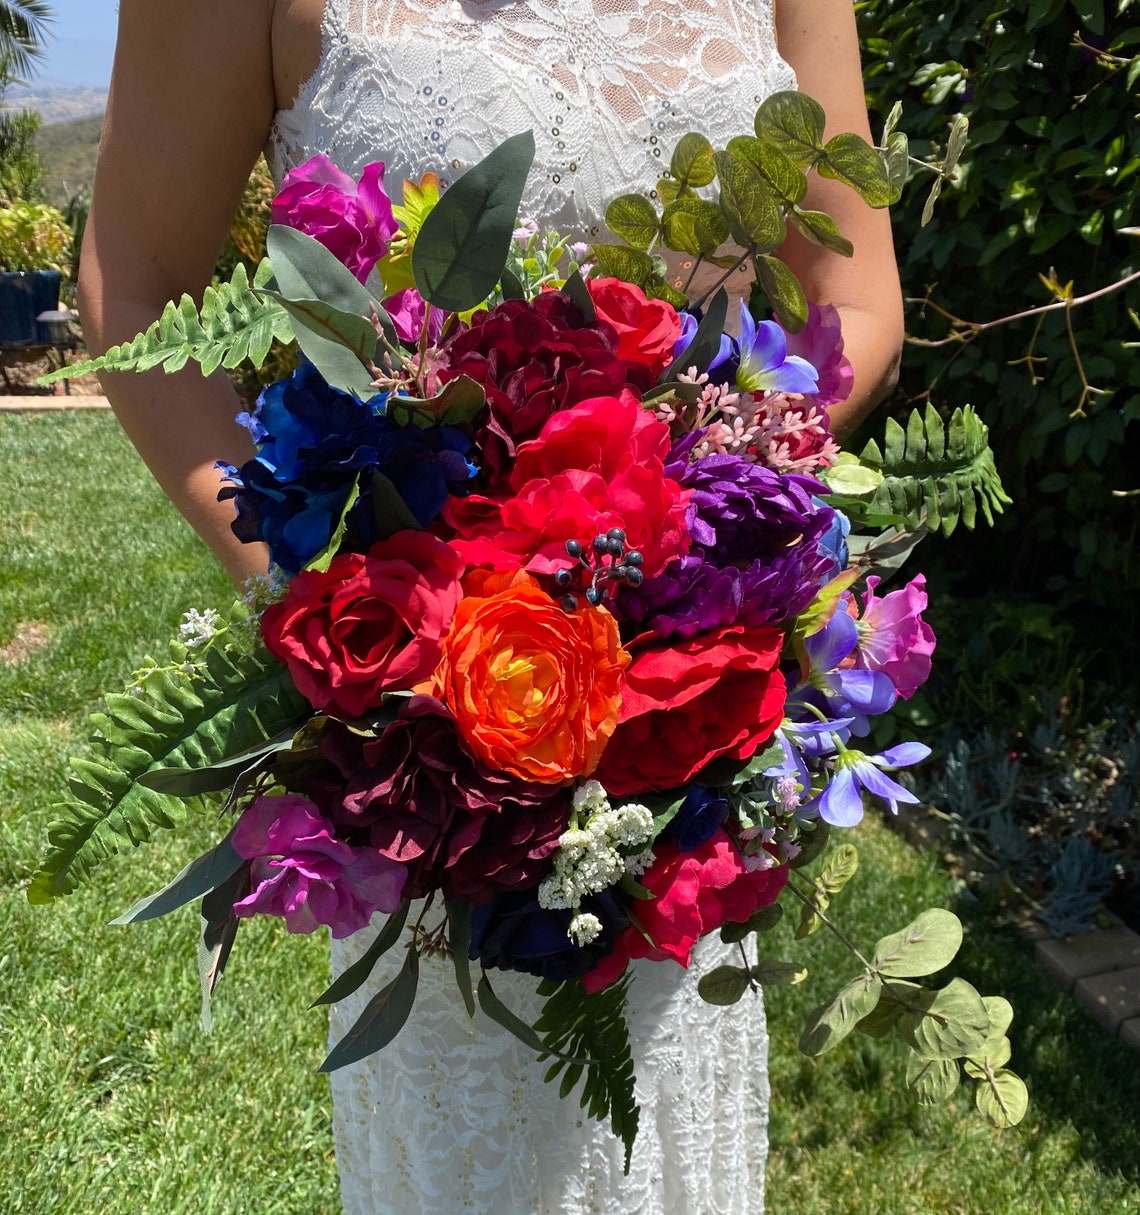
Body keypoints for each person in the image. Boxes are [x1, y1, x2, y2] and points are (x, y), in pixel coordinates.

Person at [78, 1, 903, 1211]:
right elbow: (140, 279)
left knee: (670, 1147)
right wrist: (348, 622)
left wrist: (707, 535)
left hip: (683, 720)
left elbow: (856, 299)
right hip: (437, 748)